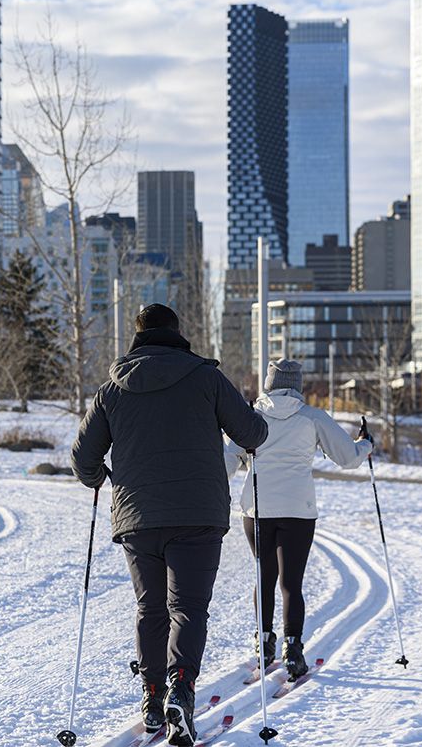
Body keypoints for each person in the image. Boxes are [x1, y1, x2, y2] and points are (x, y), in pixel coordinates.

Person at [71, 303, 267, 746]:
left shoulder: (111, 390)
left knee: (150, 609)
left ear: (137, 337)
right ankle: (182, 686)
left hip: (138, 517)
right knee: (188, 609)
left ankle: (153, 695)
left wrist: (105, 478)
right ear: (177, 333)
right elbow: (252, 435)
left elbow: (82, 459)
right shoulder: (206, 377)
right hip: (198, 515)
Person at [224, 358, 373, 680]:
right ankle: (293, 649)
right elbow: (348, 458)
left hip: (258, 508)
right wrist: (365, 444)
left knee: (264, 574)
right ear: (298, 385)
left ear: (268, 383)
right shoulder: (312, 417)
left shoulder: (250, 416)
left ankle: (263, 644)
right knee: (291, 583)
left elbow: (226, 460)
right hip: (298, 509)